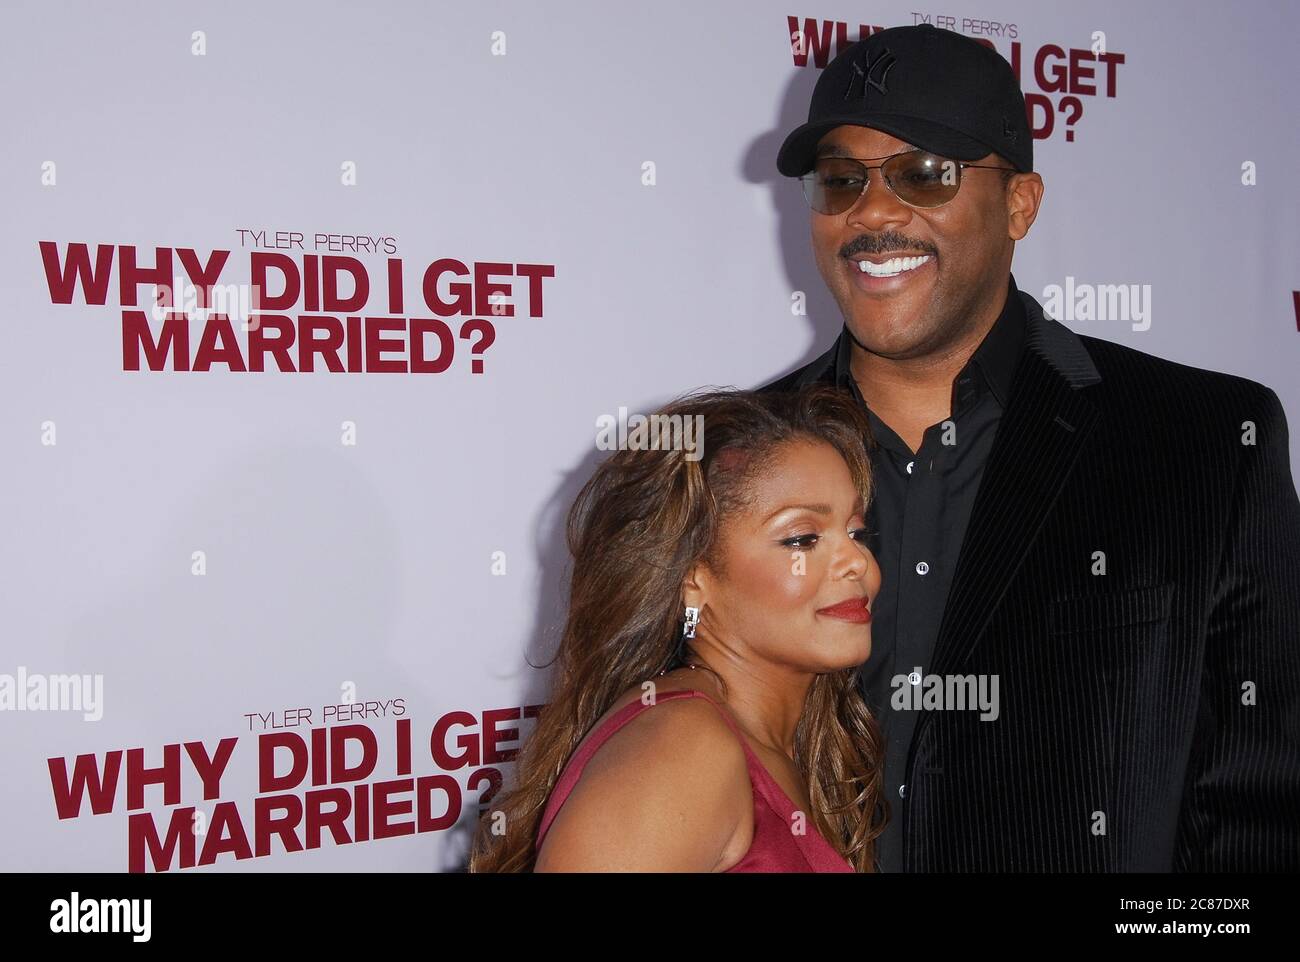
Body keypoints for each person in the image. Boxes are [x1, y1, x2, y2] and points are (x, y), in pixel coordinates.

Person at [759, 23, 1300, 871]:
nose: (870, 212)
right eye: (840, 180)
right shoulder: (731, 463)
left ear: (1020, 205)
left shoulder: (1204, 442)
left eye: (923, 174)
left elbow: (1267, 807)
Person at [468, 385, 886, 871]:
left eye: (856, 531)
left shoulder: (785, 740)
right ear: (693, 579)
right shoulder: (682, 747)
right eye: (802, 538)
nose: (856, 561)